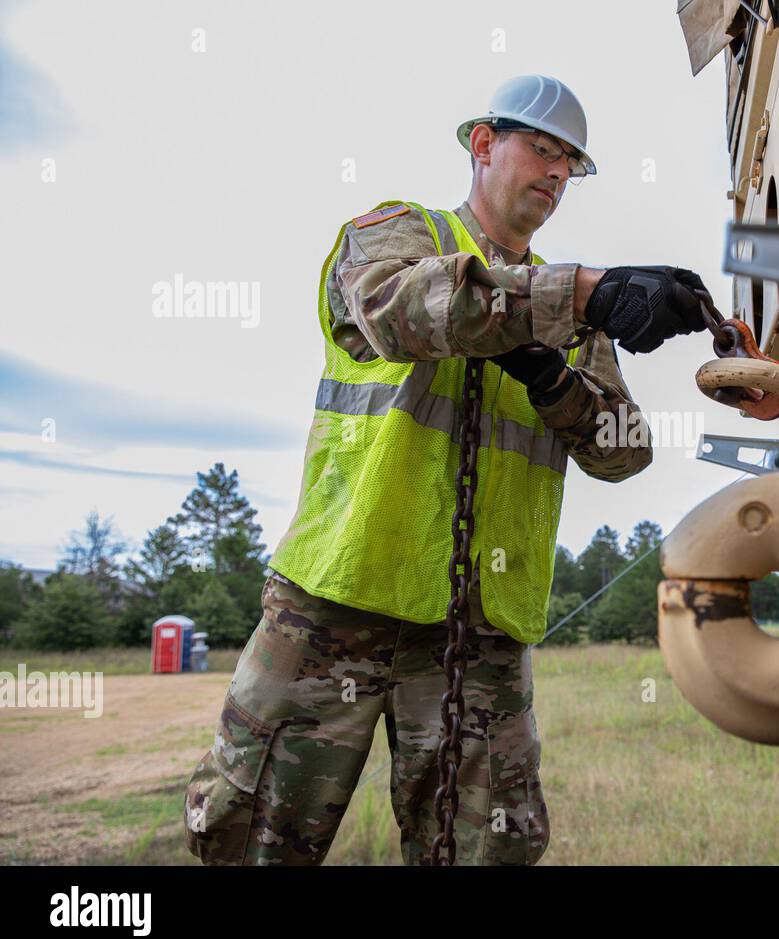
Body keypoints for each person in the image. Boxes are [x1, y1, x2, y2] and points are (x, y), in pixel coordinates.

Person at [183, 74, 715, 865]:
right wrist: (578, 294)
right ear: (482, 143)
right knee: (254, 831)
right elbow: (399, 311)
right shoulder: (399, 233)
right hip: (336, 601)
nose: (558, 172)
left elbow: (623, 449)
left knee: (485, 846)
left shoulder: (572, 316)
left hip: (481, 624)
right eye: (543, 148)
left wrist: (554, 380)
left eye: (571, 162)